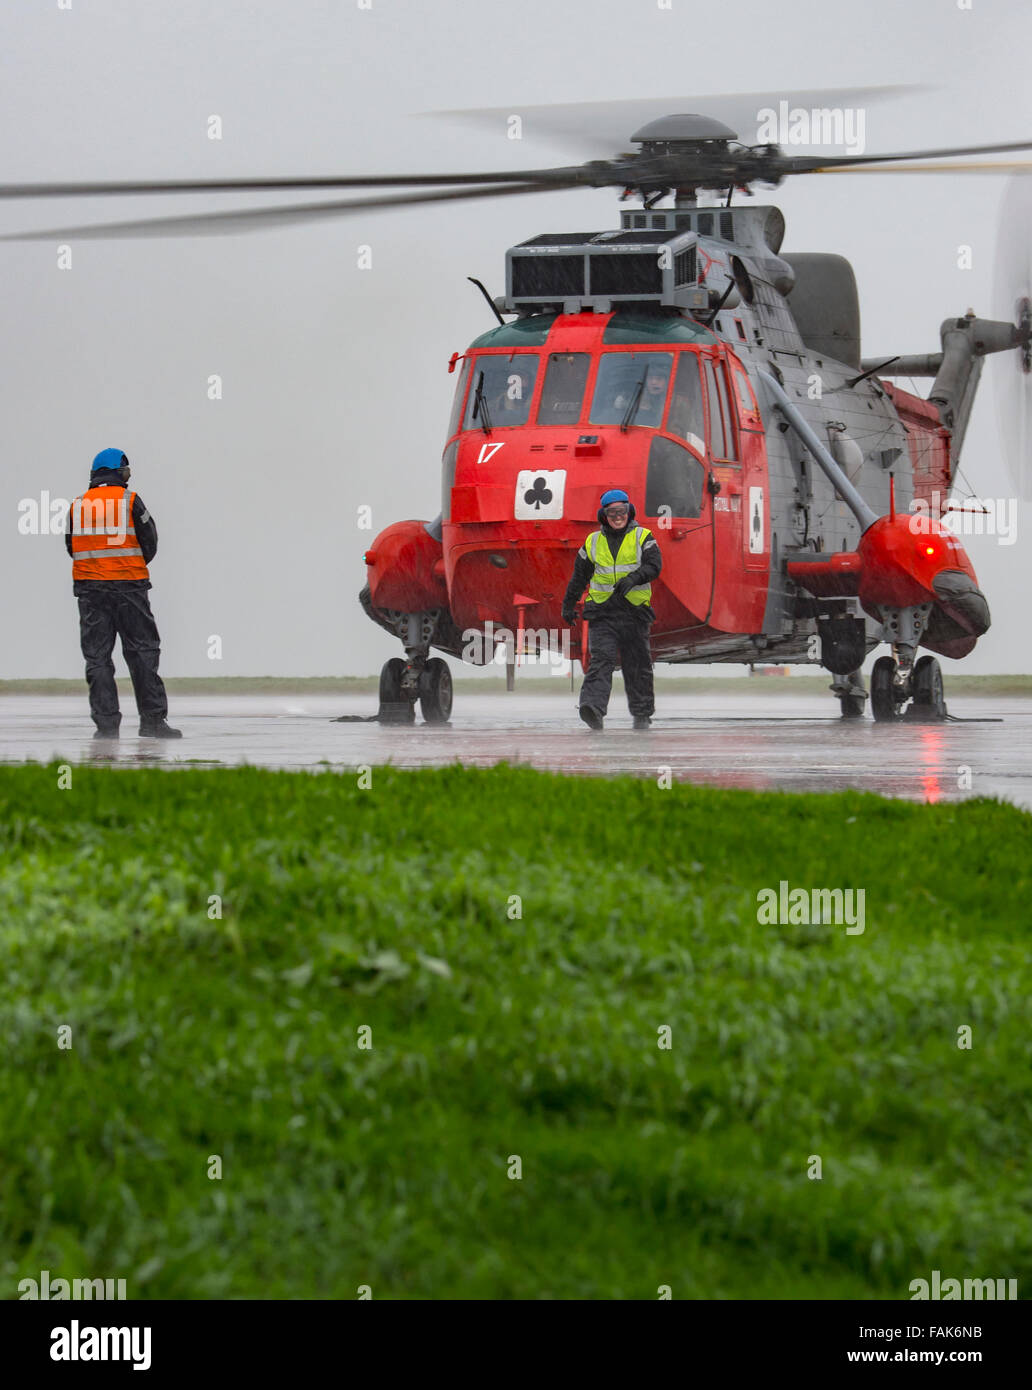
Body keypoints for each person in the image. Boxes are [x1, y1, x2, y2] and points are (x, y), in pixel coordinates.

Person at [65, 448, 181, 739]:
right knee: (142, 652)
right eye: (127, 470)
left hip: (90, 591)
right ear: (118, 470)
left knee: (97, 658)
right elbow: (150, 542)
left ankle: (106, 728)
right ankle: (153, 722)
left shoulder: (77, 506)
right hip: (129, 587)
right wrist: (128, 565)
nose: (130, 476)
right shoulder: (130, 500)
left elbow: (71, 547)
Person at [561, 488, 662, 730]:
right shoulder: (592, 542)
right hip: (603, 613)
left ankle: (641, 714)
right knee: (602, 660)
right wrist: (567, 604)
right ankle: (592, 709)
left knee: (637, 664)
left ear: (629, 512)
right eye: (612, 512)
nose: (618, 516)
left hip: (634, 613)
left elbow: (654, 566)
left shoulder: (643, 537)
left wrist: (634, 579)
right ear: (603, 515)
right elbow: (579, 577)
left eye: (622, 511)